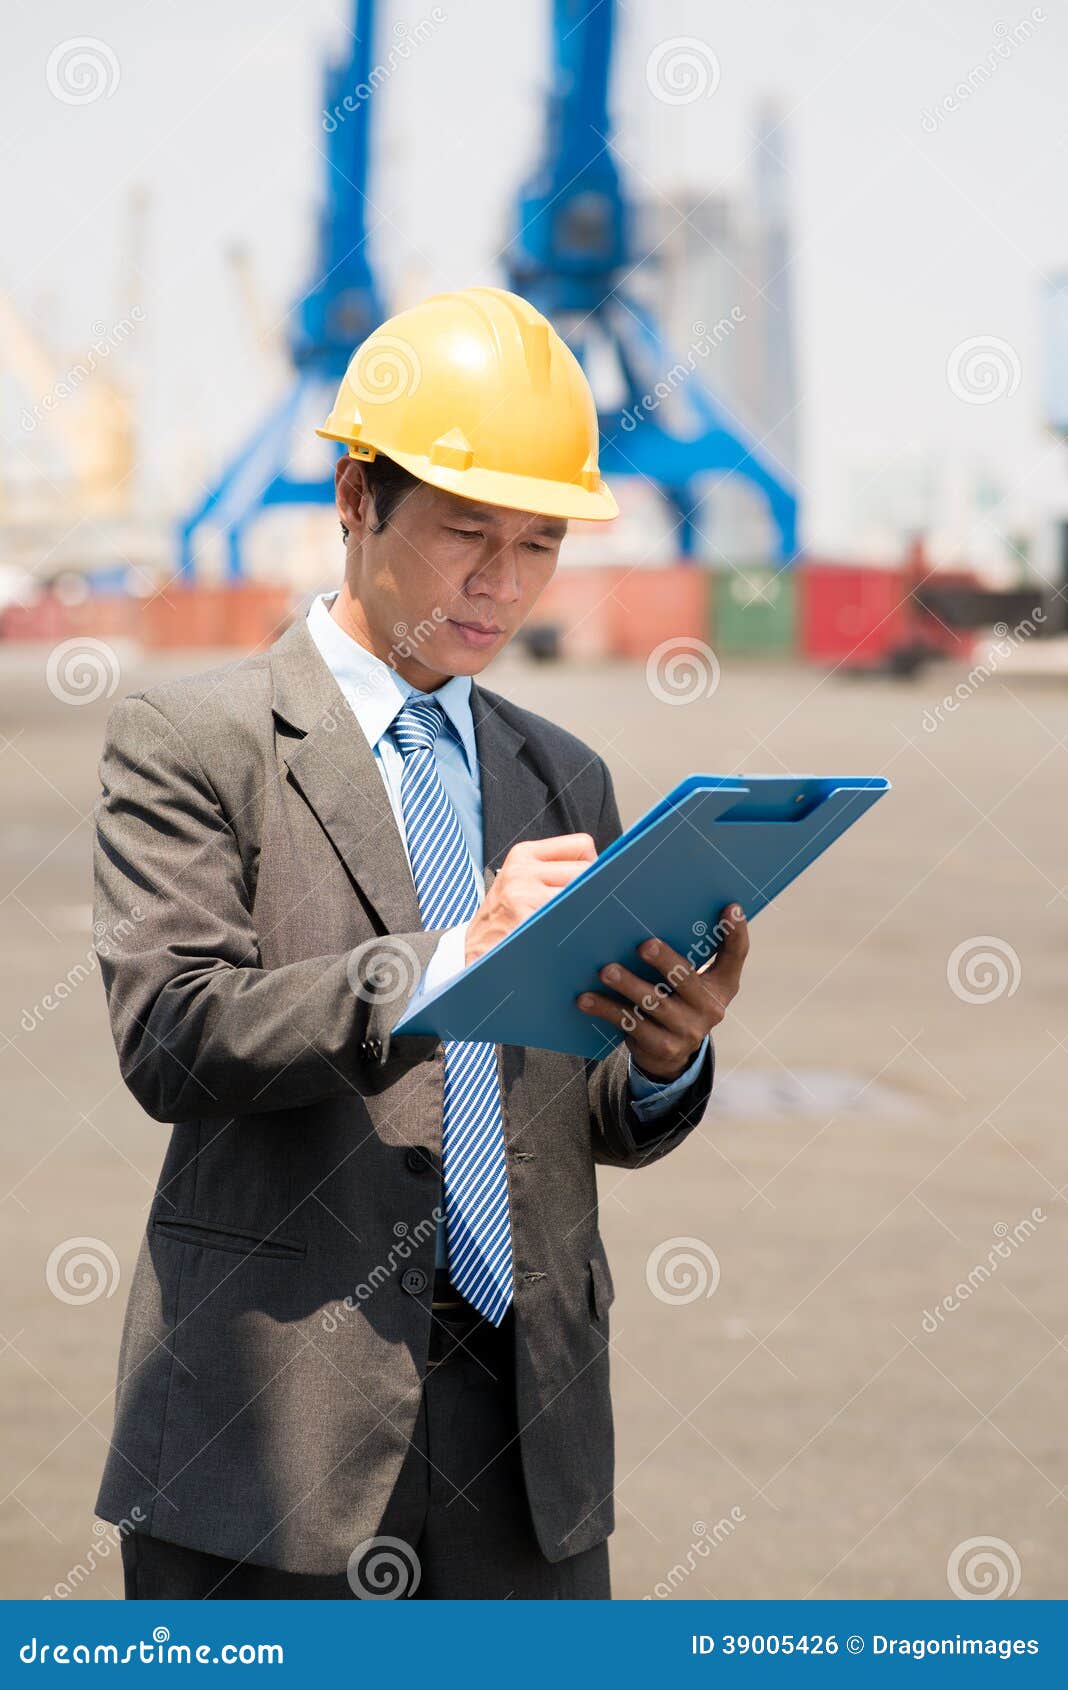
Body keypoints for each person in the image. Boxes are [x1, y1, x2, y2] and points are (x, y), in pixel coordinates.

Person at [93, 286, 750, 1601]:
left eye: (539, 543)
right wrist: (449, 958)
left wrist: (667, 1059)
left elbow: (585, 1108)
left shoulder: (564, 775)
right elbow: (173, 1034)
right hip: (270, 1443)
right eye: (466, 533)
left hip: (528, 1446)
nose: (500, 583)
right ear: (354, 498)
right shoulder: (195, 743)